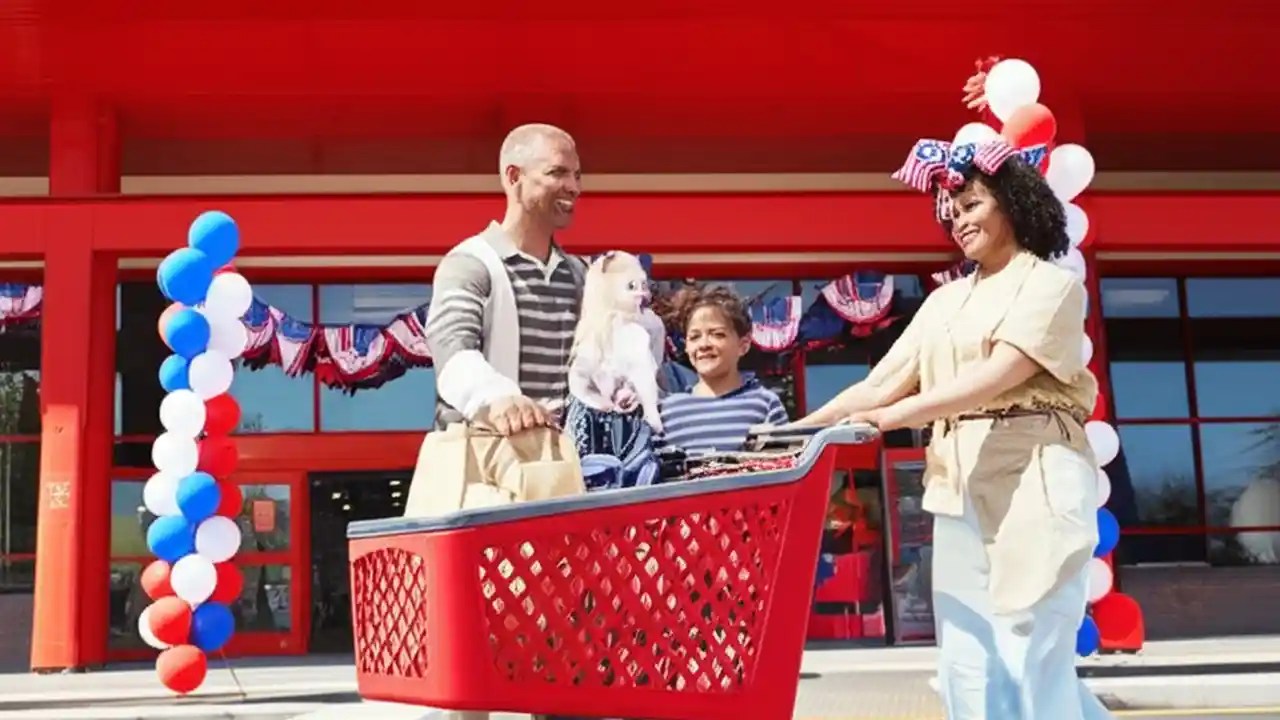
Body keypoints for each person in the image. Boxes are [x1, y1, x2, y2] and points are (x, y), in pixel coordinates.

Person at [791, 139, 1112, 719]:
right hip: (956, 479)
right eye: (952, 210)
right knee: (967, 657)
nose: (958, 219)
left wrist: (887, 422)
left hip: (1035, 471)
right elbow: (880, 384)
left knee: (1030, 650)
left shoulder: (1052, 284)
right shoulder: (945, 303)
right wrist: (797, 432)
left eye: (971, 203)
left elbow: (998, 375)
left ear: (1013, 203)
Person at [425, 123, 587, 435]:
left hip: (566, 468)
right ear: (514, 177)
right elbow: (452, 350)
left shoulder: (579, 275)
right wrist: (497, 397)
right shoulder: (470, 263)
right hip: (489, 467)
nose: (573, 187)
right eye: (557, 173)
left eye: (577, 175)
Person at [655, 285, 789, 455]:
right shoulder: (667, 411)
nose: (704, 345)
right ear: (686, 347)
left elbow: (782, 470)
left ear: (743, 344)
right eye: (695, 337)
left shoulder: (765, 404)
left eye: (717, 334)